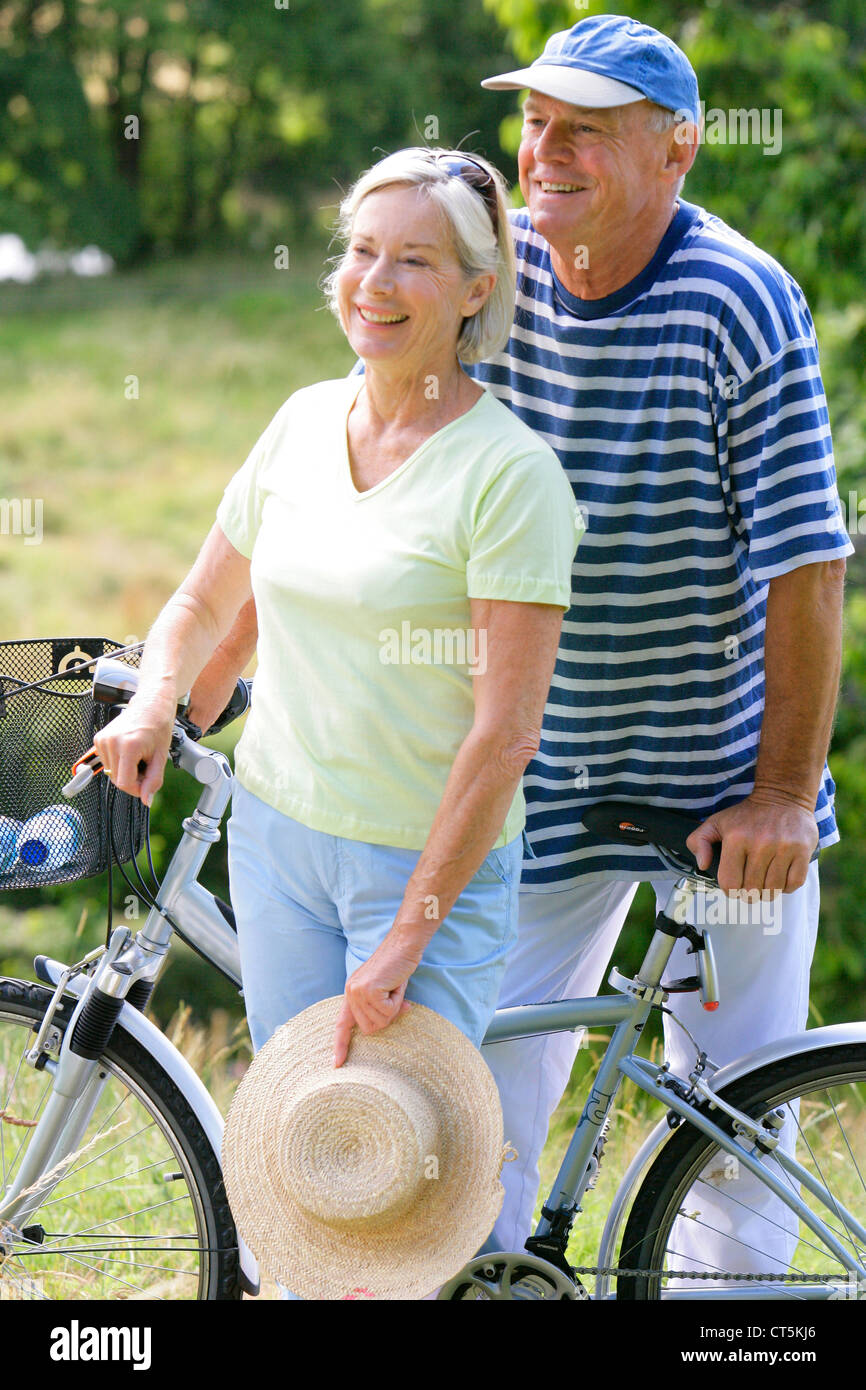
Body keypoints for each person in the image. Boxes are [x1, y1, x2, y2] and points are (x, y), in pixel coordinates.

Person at [190, 16, 853, 1277]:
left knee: (735, 1133)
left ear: (678, 153)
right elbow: (367, 487)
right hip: (537, 781)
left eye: (584, 130)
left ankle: (744, 1326)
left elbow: (805, 563)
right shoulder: (492, 275)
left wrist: (773, 795)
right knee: (465, 1109)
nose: (545, 150)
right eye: (534, 121)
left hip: (716, 781)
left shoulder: (740, 299)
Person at [94, 148, 583, 1080]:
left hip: (425, 864)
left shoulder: (511, 476)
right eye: (362, 251)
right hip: (278, 837)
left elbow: (506, 736)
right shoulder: (303, 420)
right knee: (304, 1146)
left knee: (400, 1172)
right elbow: (203, 601)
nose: (377, 282)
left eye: (416, 260)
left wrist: (405, 941)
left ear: (477, 291)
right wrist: (156, 702)